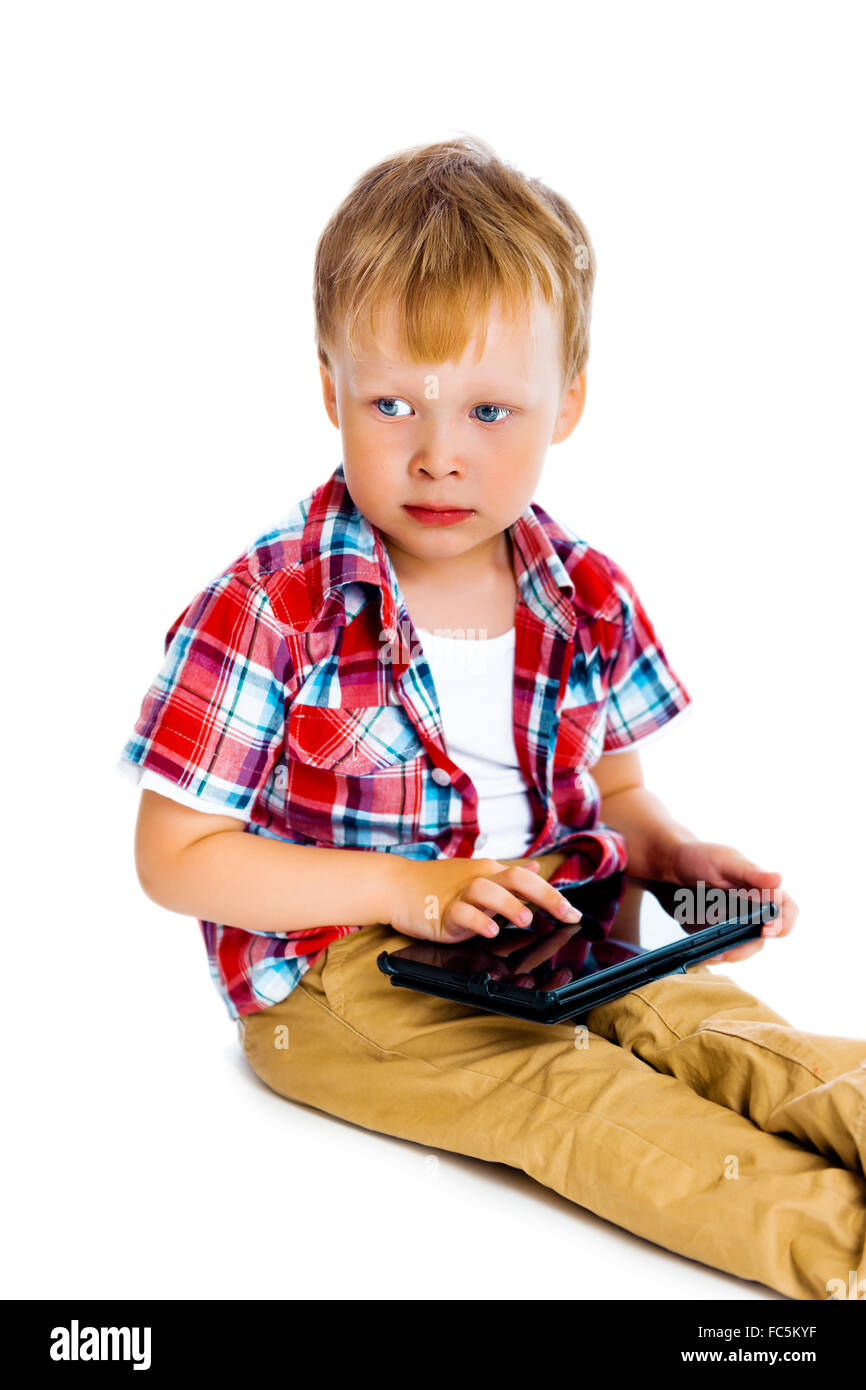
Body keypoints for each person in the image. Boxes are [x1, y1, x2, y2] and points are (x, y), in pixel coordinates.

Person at [118, 134, 866, 1301]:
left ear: (564, 402)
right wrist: (411, 892)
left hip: (554, 932)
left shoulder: (583, 589)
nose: (436, 454)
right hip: (343, 976)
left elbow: (611, 790)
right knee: (574, 1099)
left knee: (728, 1037)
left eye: (486, 409)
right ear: (328, 388)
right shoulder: (270, 603)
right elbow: (176, 858)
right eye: (390, 403)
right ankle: (842, 1252)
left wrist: (671, 857)